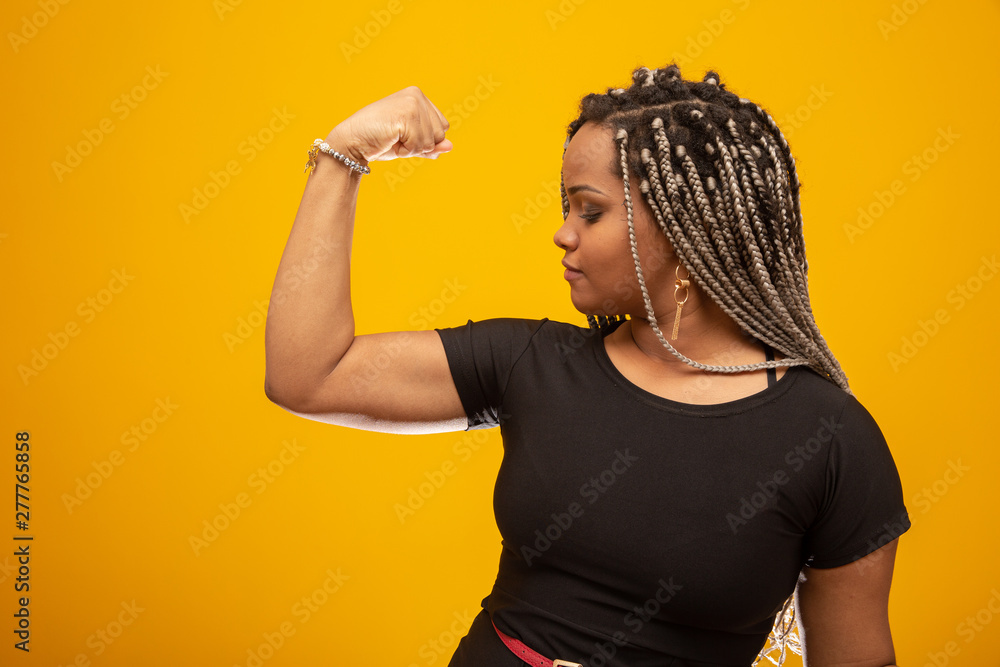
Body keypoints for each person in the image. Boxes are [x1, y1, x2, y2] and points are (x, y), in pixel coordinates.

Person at [263, 63, 910, 667]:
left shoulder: (831, 441)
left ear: (685, 227)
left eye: (590, 210)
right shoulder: (529, 364)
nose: (563, 233)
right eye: (567, 208)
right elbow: (308, 374)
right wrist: (344, 155)